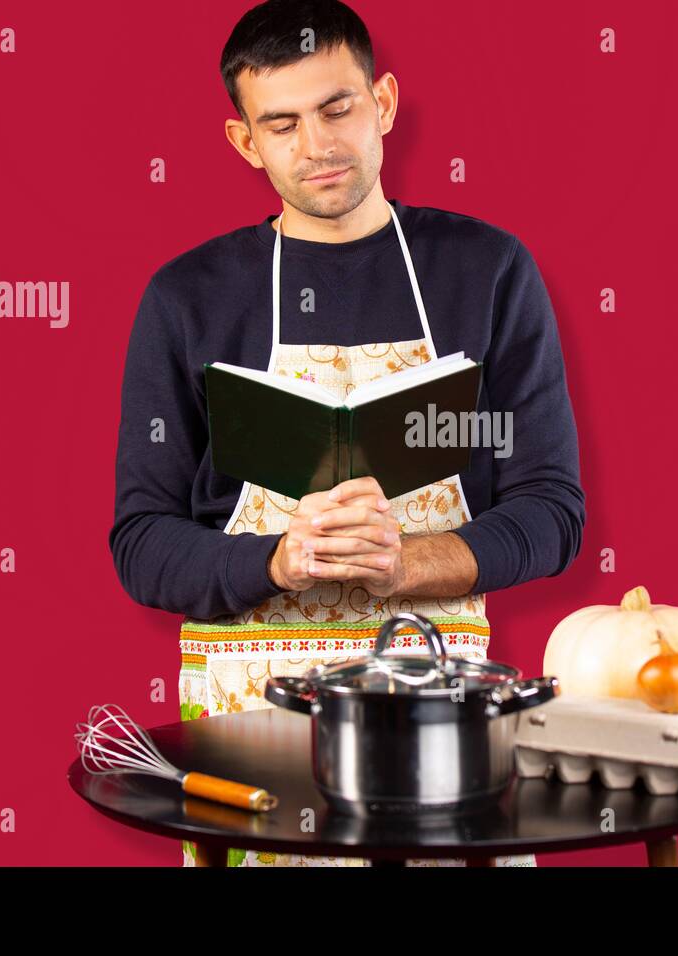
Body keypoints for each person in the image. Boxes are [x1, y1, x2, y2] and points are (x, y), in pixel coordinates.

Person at [109, 0, 585, 866]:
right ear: (245, 142)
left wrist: (408, 561)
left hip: (436, 708)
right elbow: (141, 543)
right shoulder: (186, 296)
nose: (317, 146)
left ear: (386, 103)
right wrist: (277, 561)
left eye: (338, 109)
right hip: (247, 729)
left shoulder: (487, 271)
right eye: (281, 124)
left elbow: (552, 513)